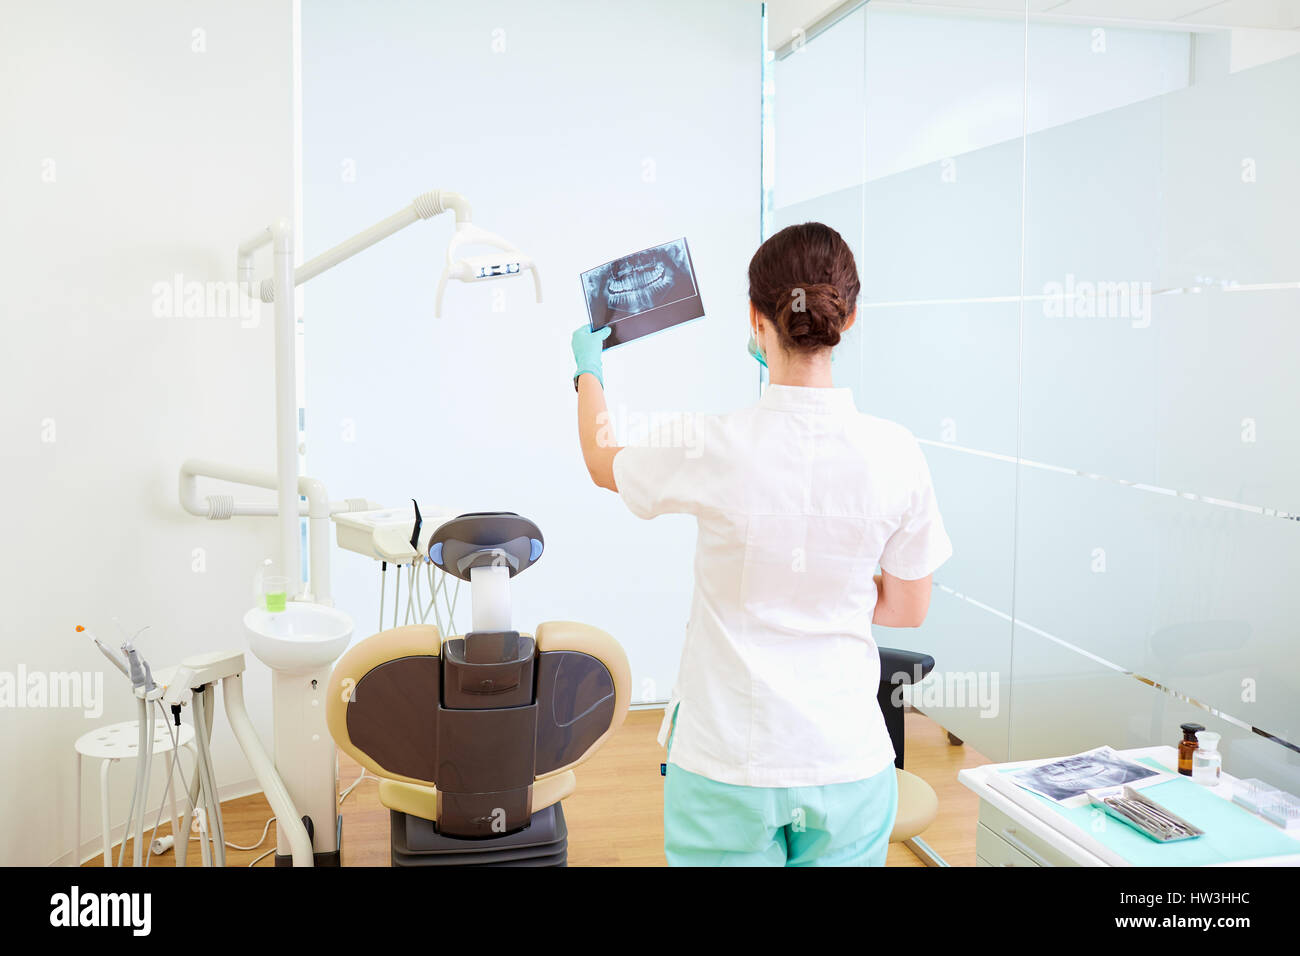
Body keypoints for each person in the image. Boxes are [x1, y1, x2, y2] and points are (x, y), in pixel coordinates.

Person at [569, 222, 952, 866]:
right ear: (849, 317)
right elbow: (909, 608)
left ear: (756, 319)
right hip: (847, 763)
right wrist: (834, 573)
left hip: (728, 762)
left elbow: (603, 461)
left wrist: (588, 371)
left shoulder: (712, 444)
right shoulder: (896, 453)